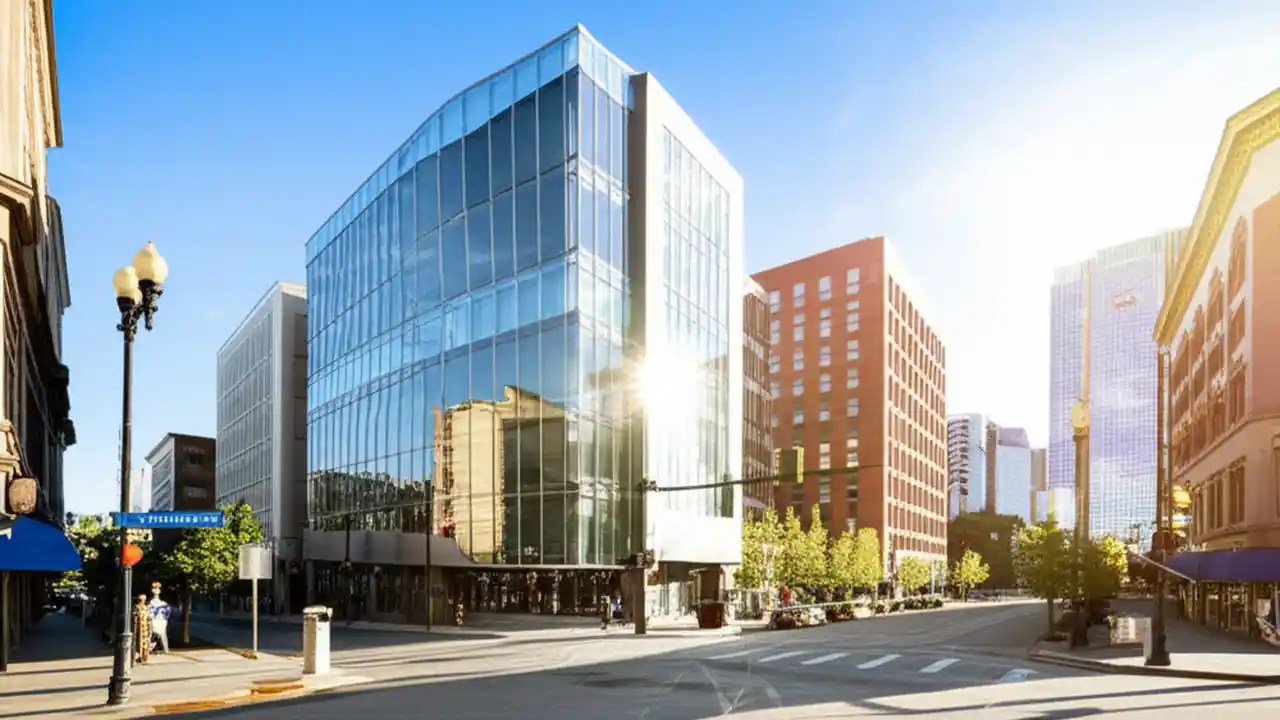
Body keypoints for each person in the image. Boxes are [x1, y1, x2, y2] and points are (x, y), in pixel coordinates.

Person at [148, 582, 172, 653]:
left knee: (163, 634)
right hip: (153, 620)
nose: (156, 590)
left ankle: (165, 649)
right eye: (154, 588)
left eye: (158, 588)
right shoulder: (151, 603)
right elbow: (149, 612)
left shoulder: (163, 603)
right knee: (151, 633)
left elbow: (167, 613)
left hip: (161, 620)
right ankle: (149, 649)